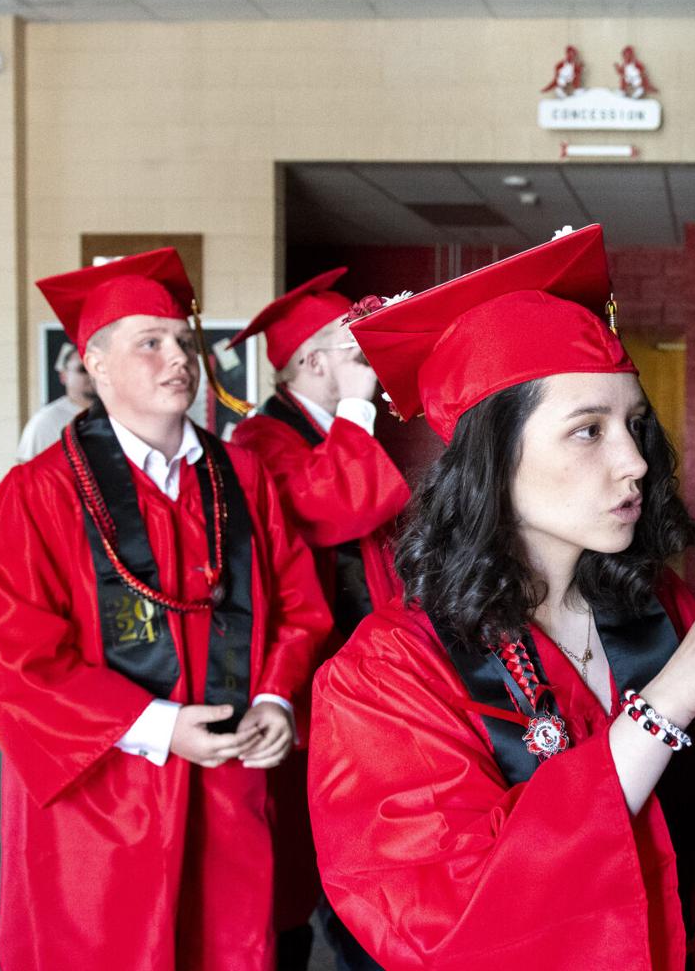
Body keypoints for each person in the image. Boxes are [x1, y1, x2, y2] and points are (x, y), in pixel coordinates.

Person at [306, 225, 695, 971]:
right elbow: (445, 916)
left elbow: (693, 818)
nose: (635, 461)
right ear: (493, 459)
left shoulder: (660, 607)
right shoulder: (385, 674)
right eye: (587, 430)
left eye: (634, 425)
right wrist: (666, 703)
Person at [0, 248, 330, 971]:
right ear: (95, 363)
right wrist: (163, 729)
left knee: (230, 945)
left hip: (230, 779)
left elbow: (300, 605)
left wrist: (275, 701)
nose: (180, 357)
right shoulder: (39, 493)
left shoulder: (243, 479)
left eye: (183, 340)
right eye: (151, 342)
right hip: (106, 795)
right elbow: (20, 661)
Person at [230, 269, 411, 971]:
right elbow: (336, 509)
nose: (363, 355)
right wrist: (359, 411)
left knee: (357, 837)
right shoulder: (258, 444)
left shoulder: (325, 429)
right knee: (300, 855)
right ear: (310, 362)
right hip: (301, 676)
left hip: (355, 665)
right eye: (348, 345)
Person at [16, 340, 95, 461]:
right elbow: (27, 474)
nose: (92, 375)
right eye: (83, 369)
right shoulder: (45, 422)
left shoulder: (122, 416)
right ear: (64, 376)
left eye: (97, 368)